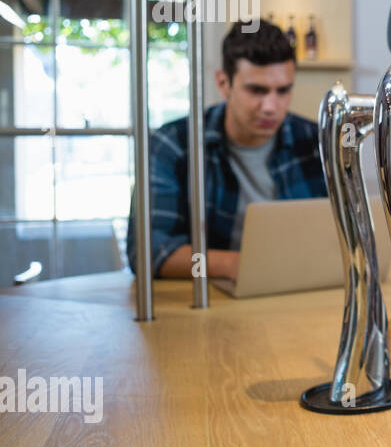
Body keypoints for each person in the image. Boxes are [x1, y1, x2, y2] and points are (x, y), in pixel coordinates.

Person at [126, 20, 327, 280]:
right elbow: (148, 254)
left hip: (302, 295)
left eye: (283, 91)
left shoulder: (318, 141)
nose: (270, 106)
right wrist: (248, 267)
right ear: (223, 83)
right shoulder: (174, 144)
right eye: (257, 90)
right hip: (207, 304)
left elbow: (351, 238)